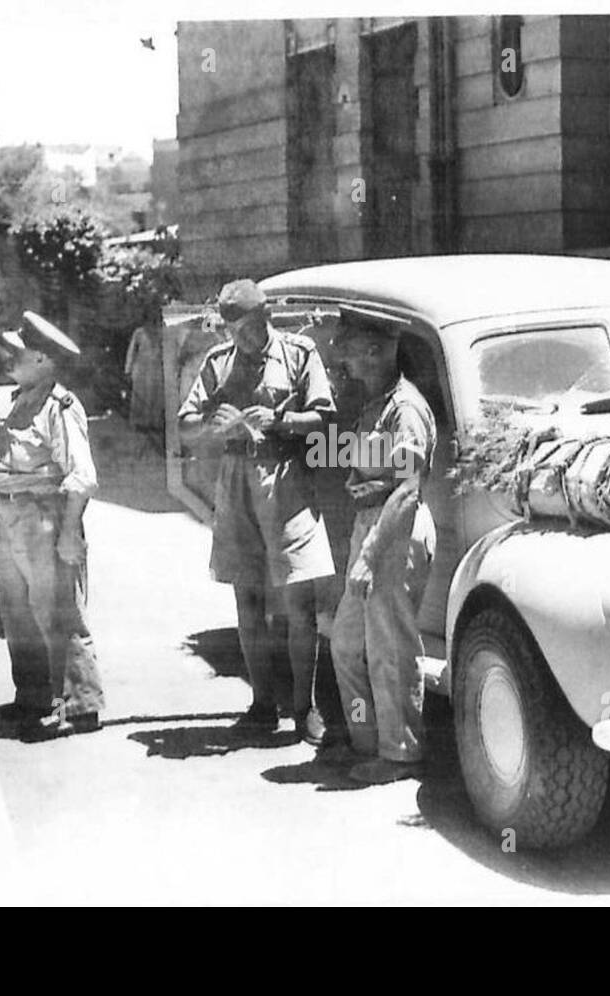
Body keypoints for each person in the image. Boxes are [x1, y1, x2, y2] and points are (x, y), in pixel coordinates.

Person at [176, 279, 336, 743]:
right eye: (232, 330)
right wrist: (212, 422)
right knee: (247, 597)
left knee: (298, 601)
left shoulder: (299, 354)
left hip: (287, 479)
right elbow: (185, 425)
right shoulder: (217, 362)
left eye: (247, 327)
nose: (240, 338)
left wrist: (282, 420)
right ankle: (262, 703)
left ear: (265, 317)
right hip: (236, 479)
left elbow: (325, 417)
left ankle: (305, 709)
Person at [328, 317, 437, 784]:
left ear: (374, 352)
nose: (343, 362)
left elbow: (407, 491)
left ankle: (399, 755)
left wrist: (370, 554)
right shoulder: (376, 404)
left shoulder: (405, 409)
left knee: (389, 649)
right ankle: (366, 740)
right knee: (347, 645)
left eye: (349, 352)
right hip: (371, 526)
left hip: (394, 533)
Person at [0, 311, 105, 737]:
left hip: (43, 518)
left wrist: (70, 532)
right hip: (12, 515)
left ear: (40, 358)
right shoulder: (23, 397)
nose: (8, 358)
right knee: (17, 611)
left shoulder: (61, 406)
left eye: (16, 352)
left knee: (56, 612)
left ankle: (78, 706)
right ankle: (35, 697)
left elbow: (82, 476)